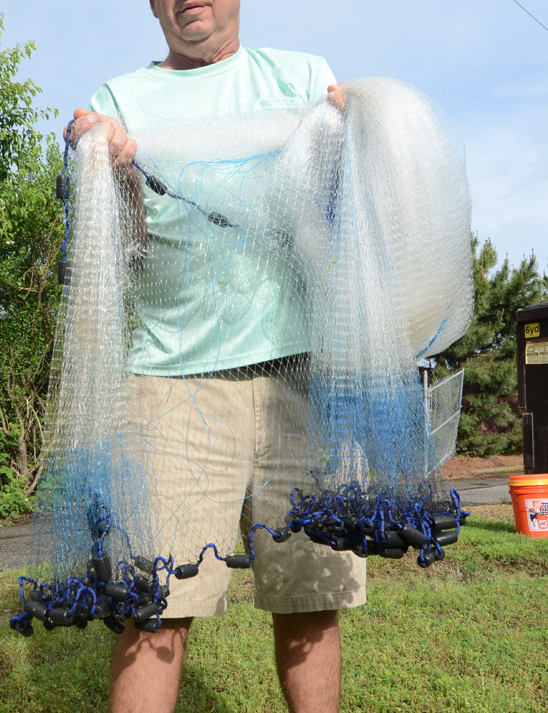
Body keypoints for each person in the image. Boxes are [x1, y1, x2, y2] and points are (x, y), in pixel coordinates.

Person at [67, 3, 361, 712]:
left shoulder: (302, 80)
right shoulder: (122, 101)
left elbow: (342, 217)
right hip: (171, 384)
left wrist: (358, 134)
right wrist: (103, 168)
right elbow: (123, 254)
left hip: (303, 379)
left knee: (310, 596)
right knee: (154, 604)